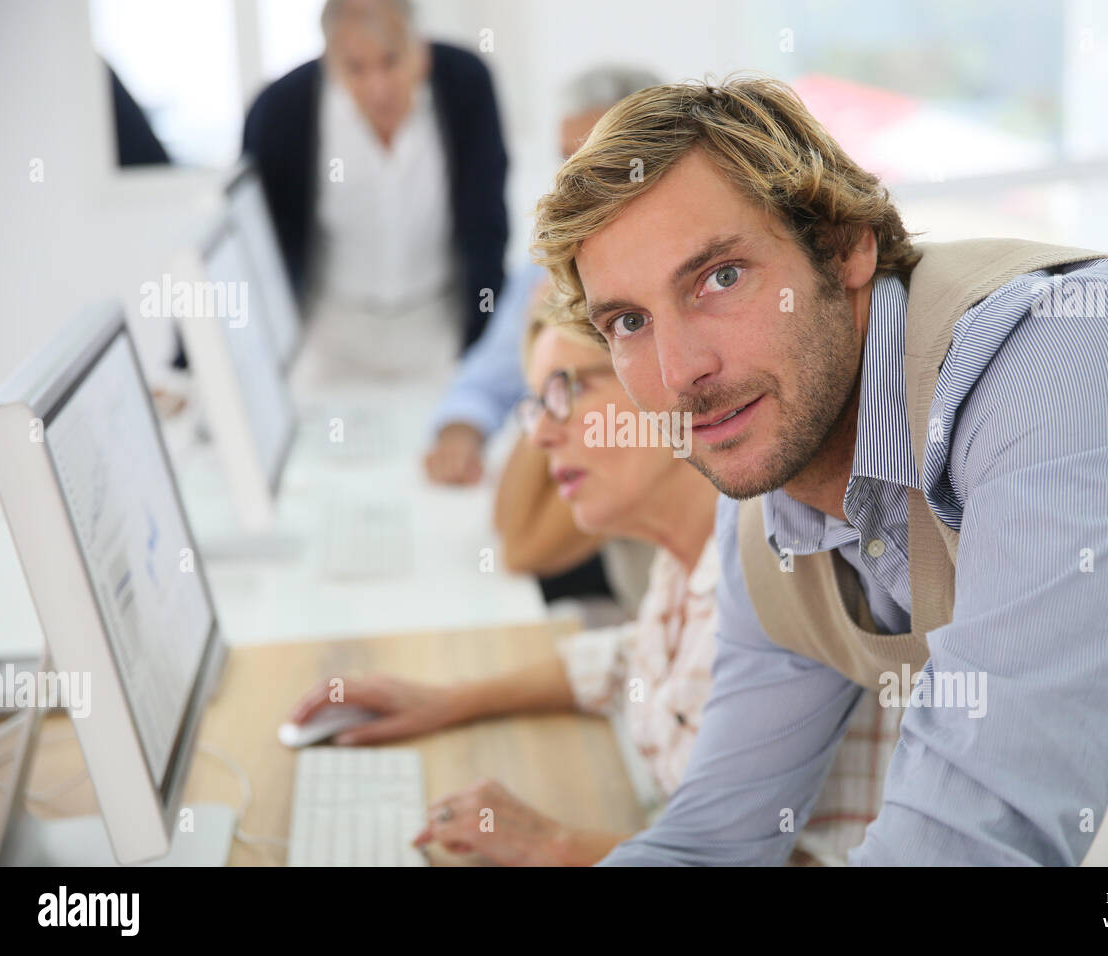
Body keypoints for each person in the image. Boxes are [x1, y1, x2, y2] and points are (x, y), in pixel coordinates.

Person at [530, 74, 1108, 865]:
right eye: (629, 321)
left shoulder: (1069, 359)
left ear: (845, 244)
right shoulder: (763, 509)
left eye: (720, 277)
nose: (681, 371)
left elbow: (966, 845)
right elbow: (708, 843)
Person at [285, 303, 904, 866]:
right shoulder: (685, 561)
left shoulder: (778, 583)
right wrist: (446, 699)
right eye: (537, 405)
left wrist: (551, 847)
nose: (541, 435)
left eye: (571, 391)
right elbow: (628, 661)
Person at [241, 0, 508, 379]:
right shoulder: (280, 109)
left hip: (437, 321)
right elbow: (248, 237)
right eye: (355, 68)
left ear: (421, 49)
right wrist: (183, 364)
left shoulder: (468, 84)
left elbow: (488, 220)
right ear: (329, 61)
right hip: (331, 327)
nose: (378, 88)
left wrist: (486, 333)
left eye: (391, 61)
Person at [425, 65, 661, 485]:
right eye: (566, 161)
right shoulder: (546, 269)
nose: (572, 184)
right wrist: (460, 434)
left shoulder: (675, 271)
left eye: (595, 159)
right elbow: (486, 378)